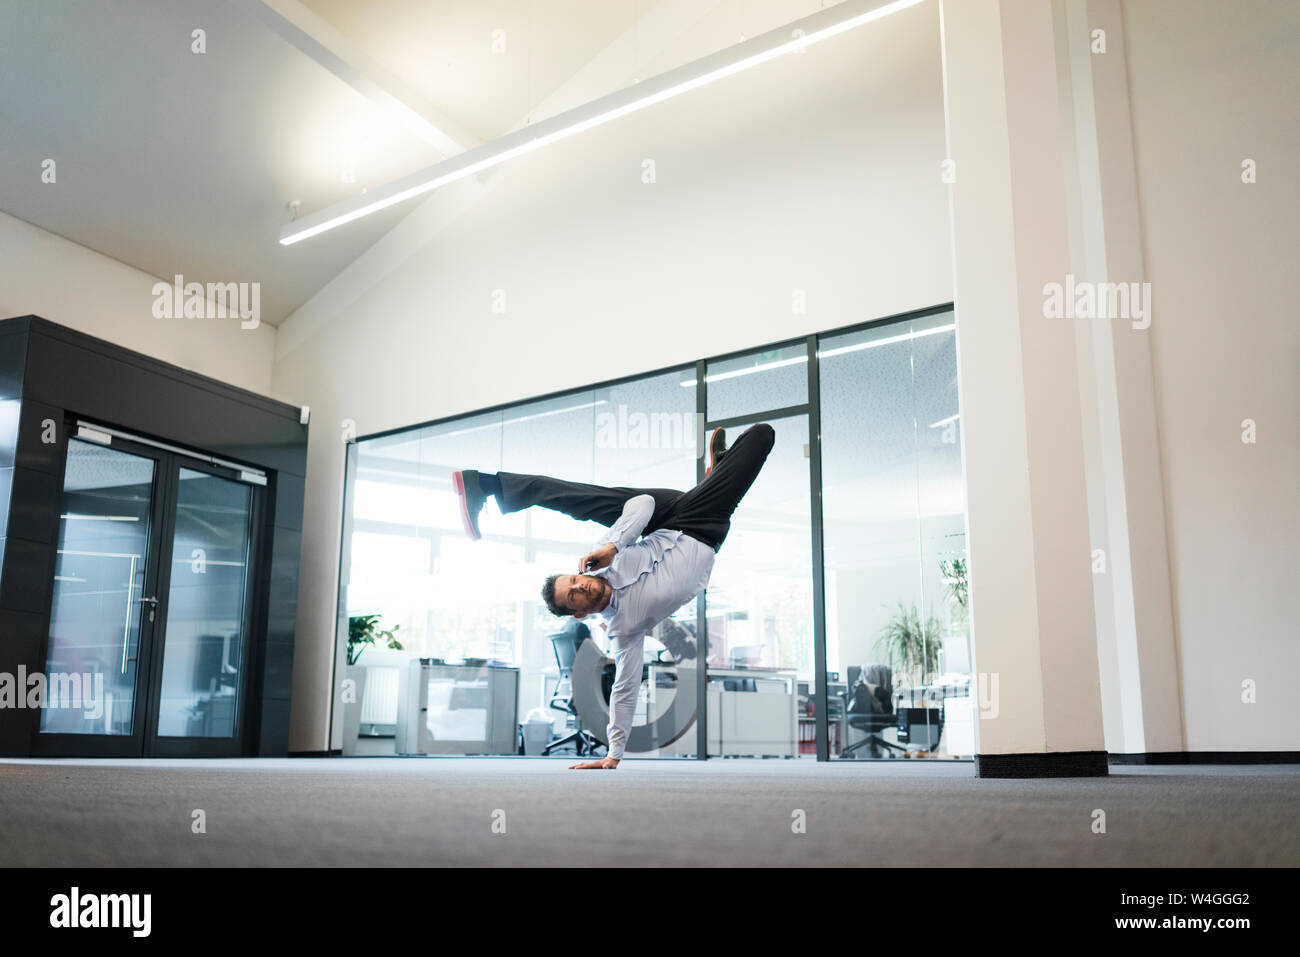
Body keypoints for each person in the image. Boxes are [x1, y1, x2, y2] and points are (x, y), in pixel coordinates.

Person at [451, 423, 776, 769]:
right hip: (704, 524)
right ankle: (718, 471)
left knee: (581, 500)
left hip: (663, 517)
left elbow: (643, 504)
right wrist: (613, 754)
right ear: (578, 614)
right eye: (574, 595)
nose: (581, 585)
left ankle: (485, 484)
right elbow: (625, 687)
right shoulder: (624, 631)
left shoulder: (606, 558)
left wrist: (613, 545)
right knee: (761, 437)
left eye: (575, 579)